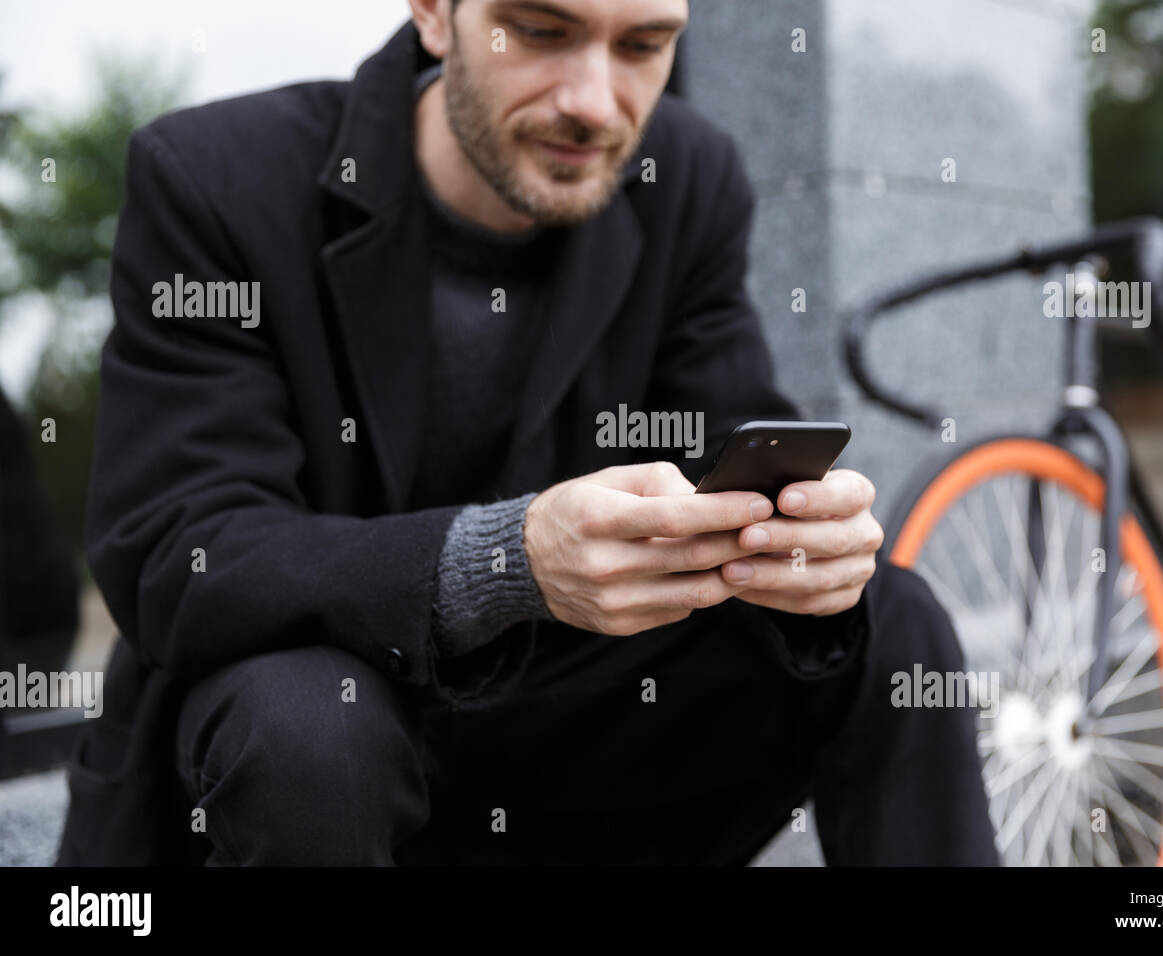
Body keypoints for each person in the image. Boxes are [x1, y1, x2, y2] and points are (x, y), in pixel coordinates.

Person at [56, 0, 998, 866]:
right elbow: (180, 552)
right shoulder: (218, 178)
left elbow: (723, 444)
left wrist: (800, 537)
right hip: (299, 763)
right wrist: (506, 560)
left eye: (643, 45)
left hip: (557, 746)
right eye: (540, 31)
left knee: (887, 616)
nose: (595, 102)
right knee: (309, 728)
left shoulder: (689, 176)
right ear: (435, 13)